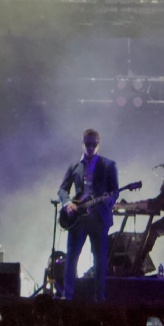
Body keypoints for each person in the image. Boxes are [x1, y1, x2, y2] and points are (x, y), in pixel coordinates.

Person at [57, 129, 119, 302]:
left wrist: (108, 200)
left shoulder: (108, 165)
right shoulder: (74, 166)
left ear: (98, 144)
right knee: (72, 257)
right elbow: (62, 189)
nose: (91, 148)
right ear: (82, 143)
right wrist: (67, 203)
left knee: (100, 259)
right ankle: (67, 295)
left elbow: (115, 192)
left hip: (99, 218)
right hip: (78, 219)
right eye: (87, 144)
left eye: (94, 144)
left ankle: (99, 296)